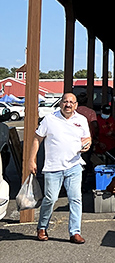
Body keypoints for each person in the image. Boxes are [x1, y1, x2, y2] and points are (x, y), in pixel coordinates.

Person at [29, 92, 92, 243]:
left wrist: (87, 144)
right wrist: (32, 160)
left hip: (74, 166)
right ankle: (42, 227)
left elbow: (87, 138)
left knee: (75, 199)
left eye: (71, 102)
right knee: (51, 199)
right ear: (60, 103)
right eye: (65, 101)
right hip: (53, 167)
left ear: (76, 105)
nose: (68, 104)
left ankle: (75, 232)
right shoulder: (50, 119)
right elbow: (37, 139)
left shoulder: (81, 120)